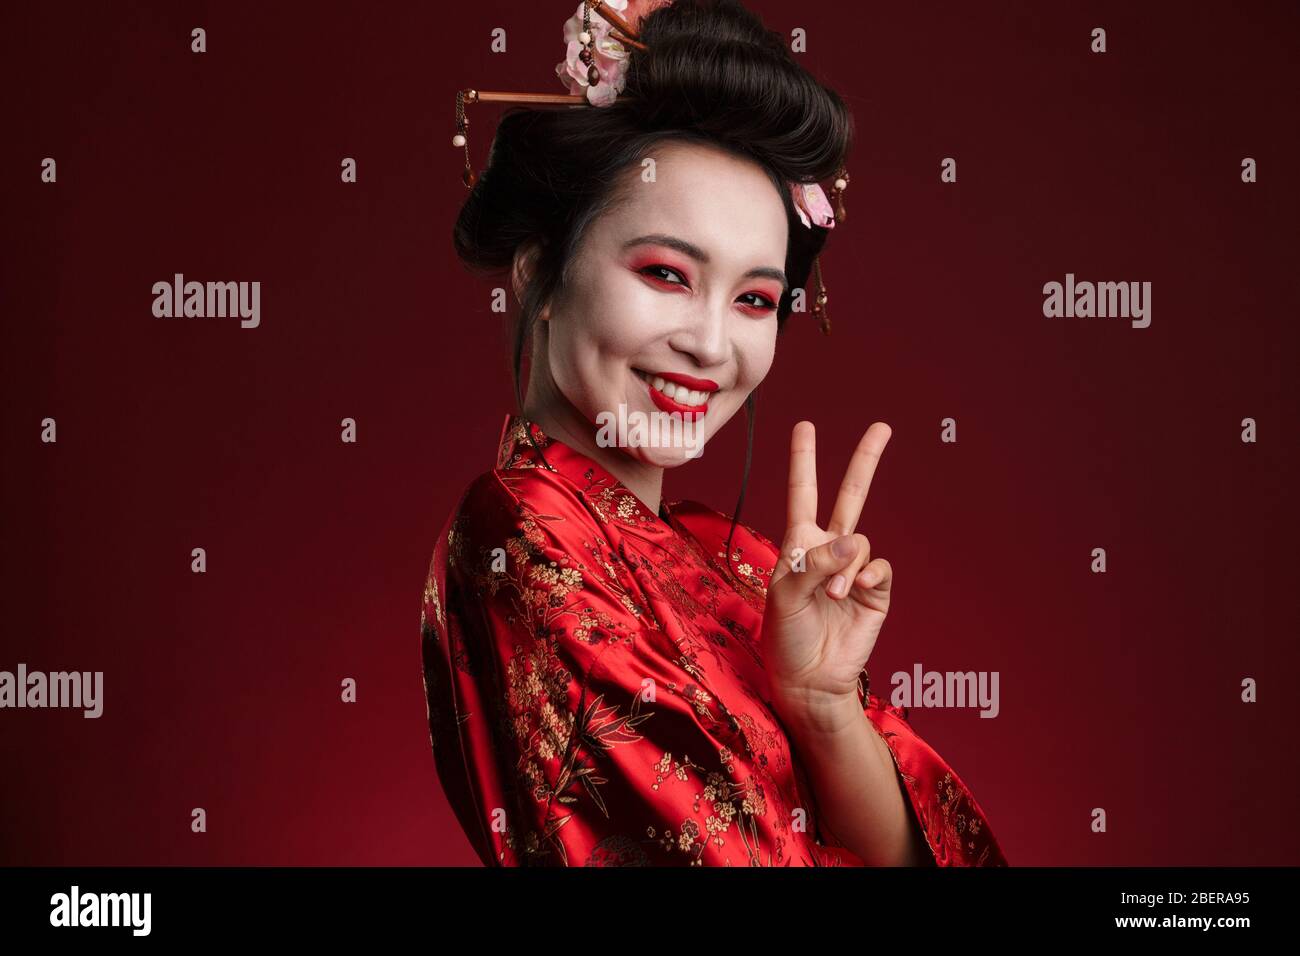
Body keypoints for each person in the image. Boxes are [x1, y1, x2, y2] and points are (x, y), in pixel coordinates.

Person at [420, 0, 1008, 866]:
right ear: (539, 271)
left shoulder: (731, 560)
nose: (708, 342)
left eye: (755, 300)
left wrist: (822, 707)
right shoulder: (521, 531)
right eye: (665, 272)